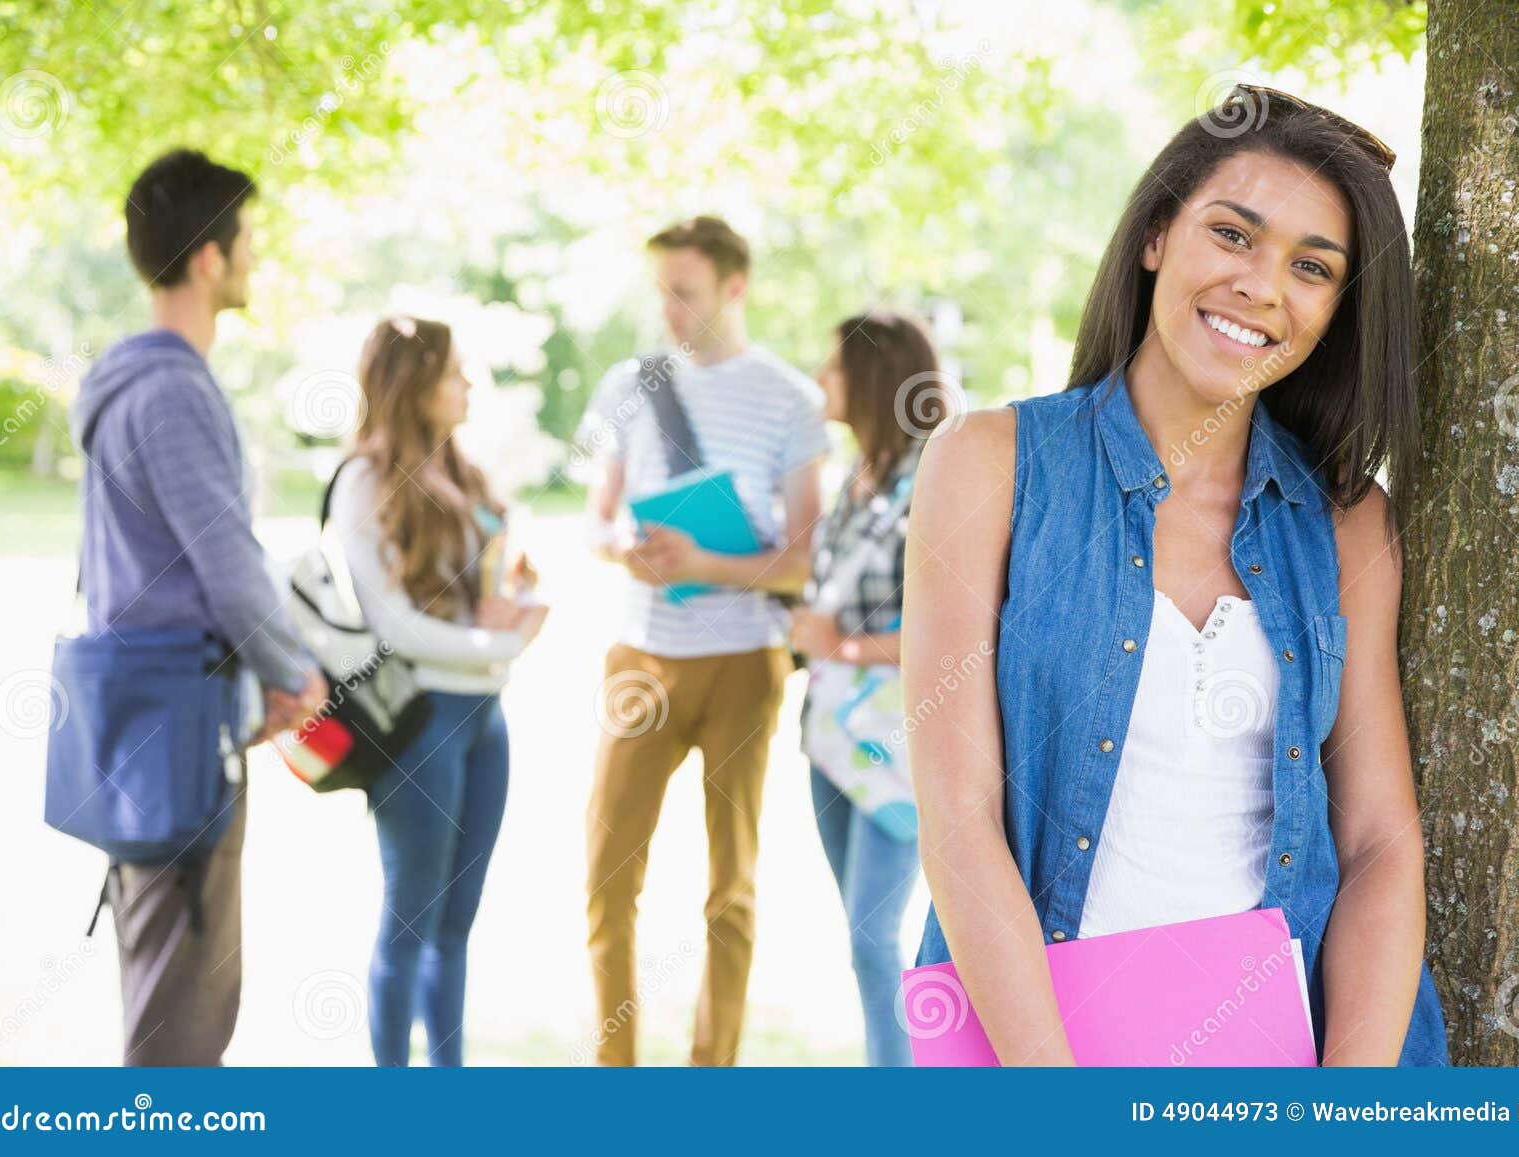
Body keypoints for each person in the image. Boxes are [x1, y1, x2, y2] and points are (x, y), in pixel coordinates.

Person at [905, 86, 1450, 1065]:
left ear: (1336, 308)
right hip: (1038, 1044)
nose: (1262, 285)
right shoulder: (988, 463)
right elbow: (957, 811)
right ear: (1157, 233)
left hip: (1280, 1055)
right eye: (1232, 234)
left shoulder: (1348, 522)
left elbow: (1378, 840)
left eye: (1311, 267)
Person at [70, 148, 328, 1065]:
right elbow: (225, 562)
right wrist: (295, 674)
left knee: (168, 979)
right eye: (246, 238)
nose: (254, 255)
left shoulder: (126, 383)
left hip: (148, 719)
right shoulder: (173, 389)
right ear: (210, 257)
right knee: (184, 1005)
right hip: (177, 730)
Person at [576, 215, 828, 1065]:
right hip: (642, 656)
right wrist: (624, 548)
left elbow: (802, 562)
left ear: (734, 286)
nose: (670, 311)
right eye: (662, 293)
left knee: (732, 889)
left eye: (685, 293)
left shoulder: (790, 398)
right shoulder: (630, 383)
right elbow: (596, 516)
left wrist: (707, 561)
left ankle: (709, 1078)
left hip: (741, 666)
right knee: (609, 876)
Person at [327, 317, 548, 1066]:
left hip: (487, 714)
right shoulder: (364, 480)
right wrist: (501, 641)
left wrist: (511, 596)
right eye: (454, 372)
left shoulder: (465, 473)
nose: (468, 385)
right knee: (411, 919)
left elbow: (476, 588)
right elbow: (393, 626)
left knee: (457, 923)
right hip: (421, 721)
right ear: (412, 381)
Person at [790, 313, 945, 1066]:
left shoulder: (933, 482)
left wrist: (842, 644)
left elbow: (962, 630)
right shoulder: (858, 479)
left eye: (835, 366)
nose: (822, 380)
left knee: (871, 935)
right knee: (862, 935)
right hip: (831, 732)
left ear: (874, 379)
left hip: (895, 737)